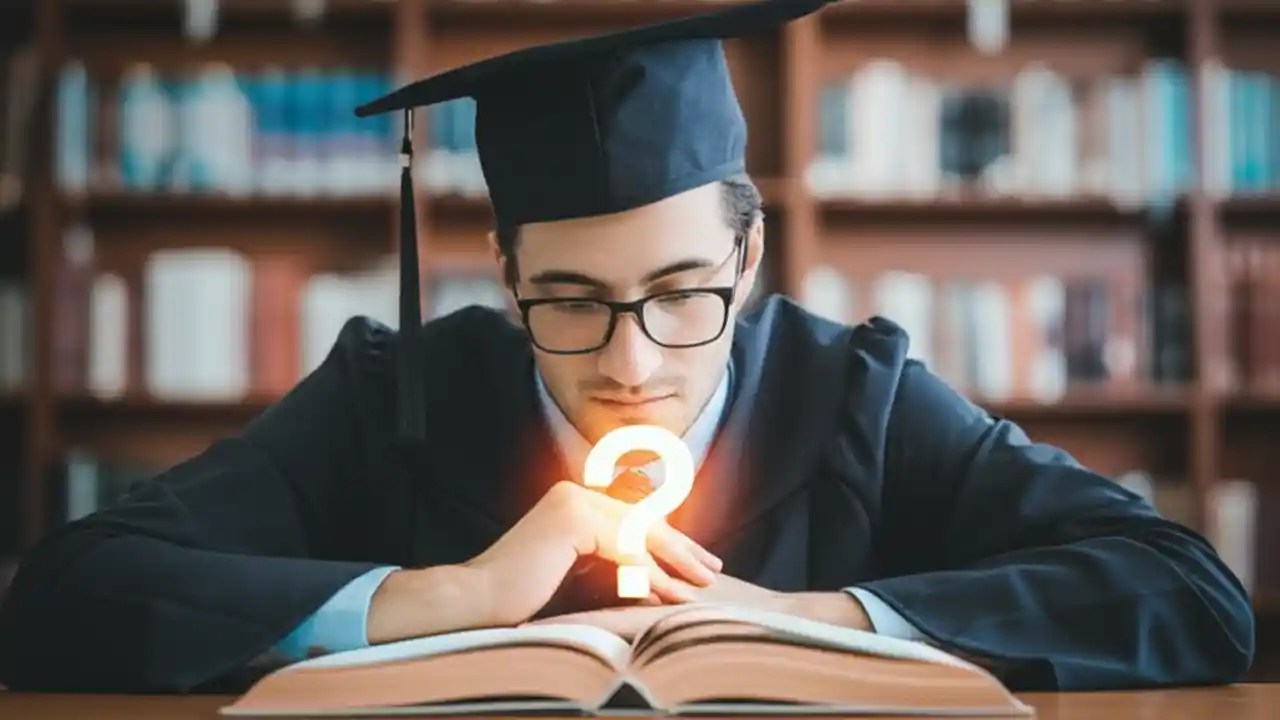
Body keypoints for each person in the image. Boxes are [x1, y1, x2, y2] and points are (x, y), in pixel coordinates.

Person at [0, 0, 1254, 694]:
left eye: (678, 294)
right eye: (567, 300)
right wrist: (443, 599)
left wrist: (811, 621)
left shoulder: (853, 395)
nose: (631, 360)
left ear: (747, 259)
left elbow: (1191, 596)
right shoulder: (396, 394)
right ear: (502, 277)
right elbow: (64, 594)